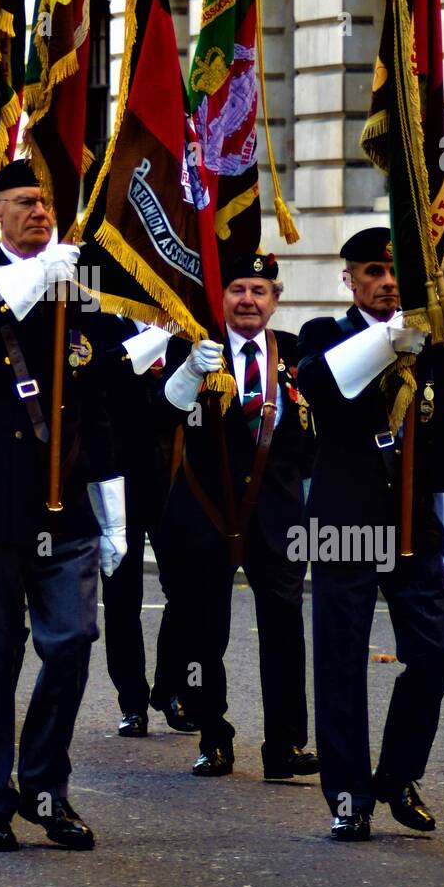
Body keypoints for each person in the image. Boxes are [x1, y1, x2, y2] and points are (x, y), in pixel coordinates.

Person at [0, 159, 127, 852]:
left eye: (45, 201)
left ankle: (45, 787)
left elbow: (98, 396)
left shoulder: (79, 284)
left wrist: (114, 509)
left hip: (63, 502)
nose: (40, 212)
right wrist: (41, 277)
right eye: (23, 202)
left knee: (71, 641)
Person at [297, 227, 444, 842]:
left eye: (395, 273)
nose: (387, 281)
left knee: (434, 655)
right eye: (372, 271)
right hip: (345, 523)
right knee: (341, 661)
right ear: (349, 279)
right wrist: (391, 341)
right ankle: (348, 794)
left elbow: (443, 449)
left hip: (412, 528)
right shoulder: (323, 337)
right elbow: (324, 390)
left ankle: (395, 776)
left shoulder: (436, 353)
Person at [159, 253, 319, 781]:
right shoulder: (193, 347)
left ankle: (286, 745)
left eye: (259, 290)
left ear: (276, 299)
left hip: (276, 514)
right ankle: (214, 736)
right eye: (237, 290)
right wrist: (188, 372)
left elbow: (315, 435)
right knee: (206, 631)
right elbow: (166, 414)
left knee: (284, 629)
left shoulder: (296, 353)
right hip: (206, 510)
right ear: (220, 298)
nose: (247, 300)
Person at [94, 320, 192, 737]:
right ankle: (131, 701)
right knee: (122, 597)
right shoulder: (103, 331)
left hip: (177, 482)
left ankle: (170, 688)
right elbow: (100, 380)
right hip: (119, 479)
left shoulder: (189, 337)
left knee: (187, 592)